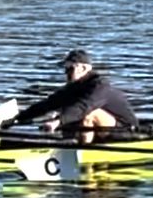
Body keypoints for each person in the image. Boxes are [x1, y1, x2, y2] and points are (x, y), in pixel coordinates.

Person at [9, 49, 142, 143]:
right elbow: (47, 104)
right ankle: (70, 144)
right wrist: (17, 119)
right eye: (65, 69)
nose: (66, 72)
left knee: (87, 114)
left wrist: (58, 122)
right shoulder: (73, 87)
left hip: (125, 132)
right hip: (102, 129)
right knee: (63, 111)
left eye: (70, 68)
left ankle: (82, 151)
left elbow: (83, 107)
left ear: (84, 69)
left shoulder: (100, 86)